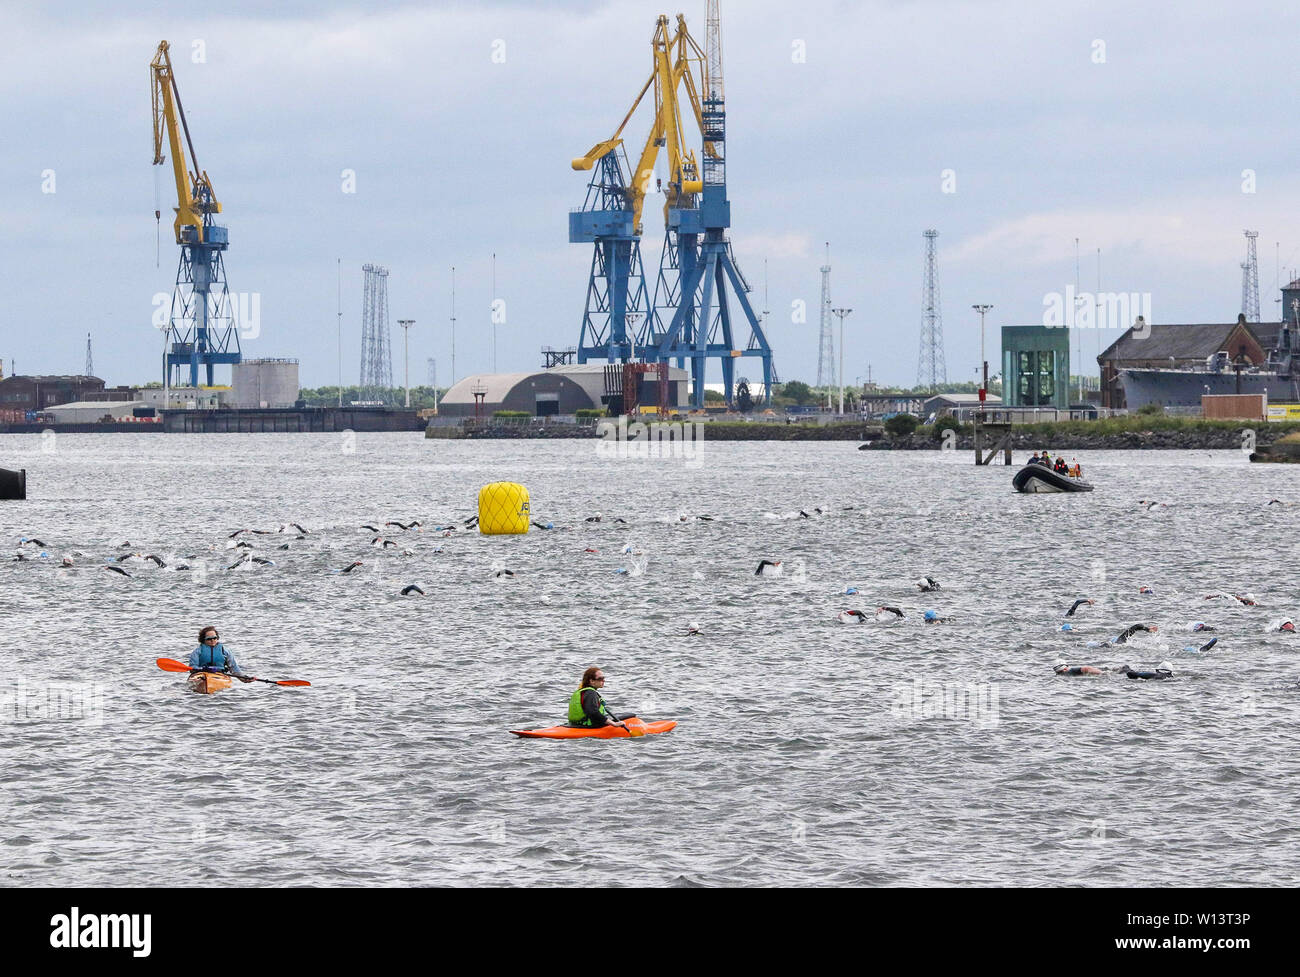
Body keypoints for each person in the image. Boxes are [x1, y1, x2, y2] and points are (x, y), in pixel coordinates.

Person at [567, 667, 635, 729]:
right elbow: (593, 713)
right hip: (590, 726)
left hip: (577, 724)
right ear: (592, 681)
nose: (603, 681)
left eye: (603, 678)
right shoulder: (590, 693)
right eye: (600, 679)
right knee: (631, 715)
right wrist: (614, 724)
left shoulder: (582, 692)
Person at [188, 626, 253, 682]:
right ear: (203, 640)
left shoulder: (225, 651)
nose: (212, 640)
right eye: (209, 639)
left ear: (217, 638)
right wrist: (203, 669)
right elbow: (193, 667)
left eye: (214, 638)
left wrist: (244, 678)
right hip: (202, 675)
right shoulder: (197, 652)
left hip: (220, 675)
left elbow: (234, 668)